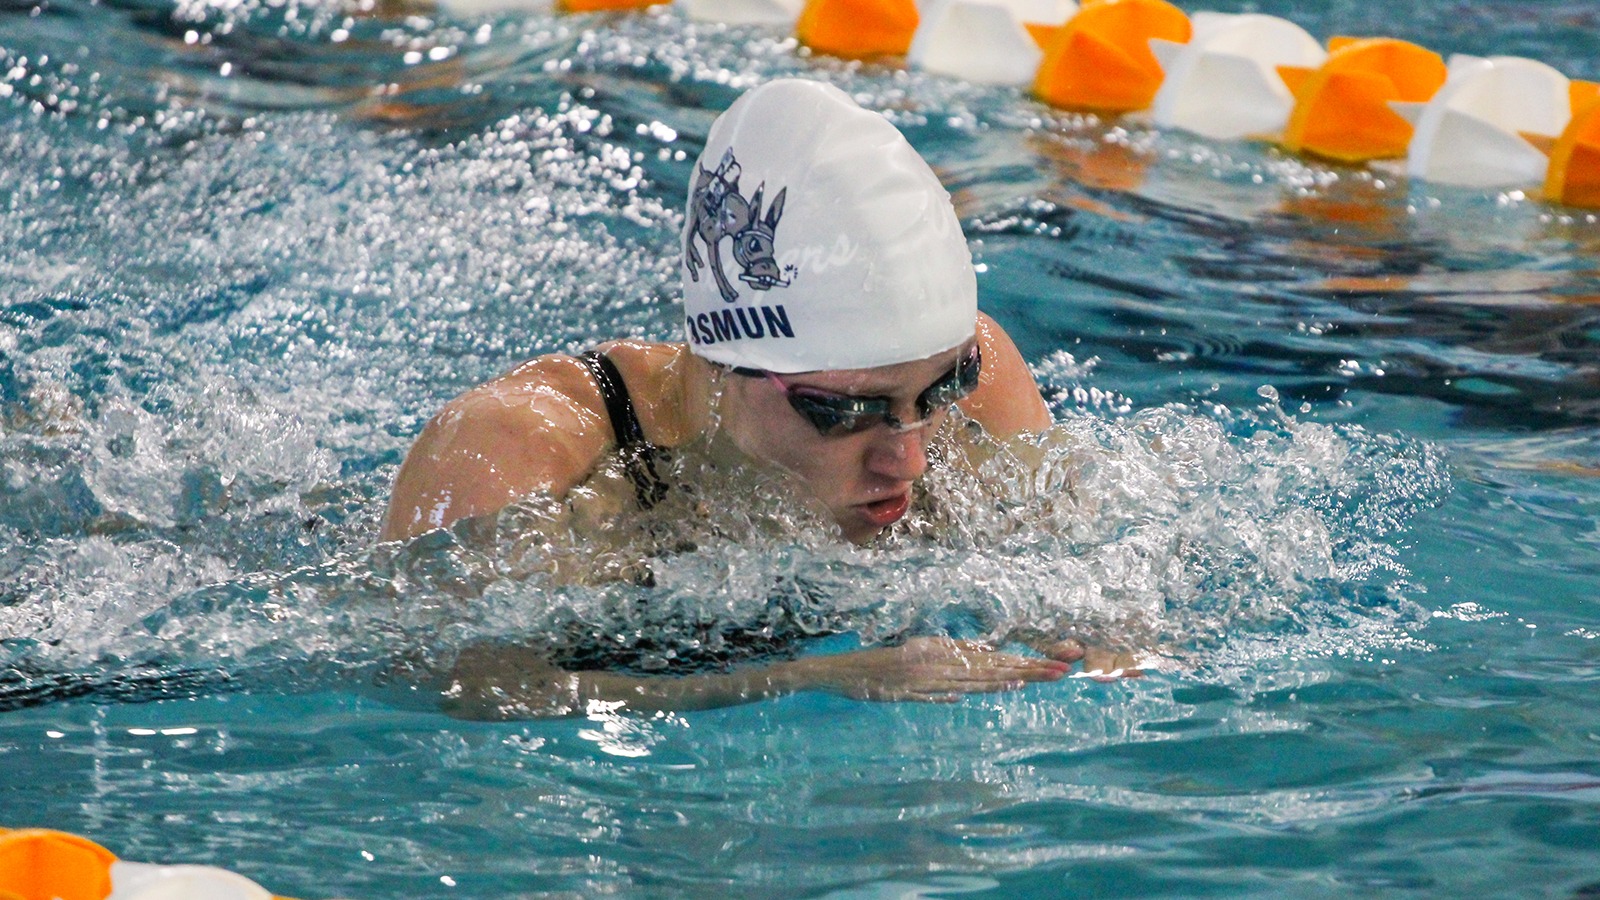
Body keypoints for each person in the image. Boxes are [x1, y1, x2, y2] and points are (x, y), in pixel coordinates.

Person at [382, 79, 1135, 717]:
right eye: (845, 411)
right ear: (721, 365)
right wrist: (808, 682)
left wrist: (1103, 638)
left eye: (943, 386)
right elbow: (459, 684)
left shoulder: (982, 375)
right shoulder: (518, 453)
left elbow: (1077, 574)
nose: (906, 458)